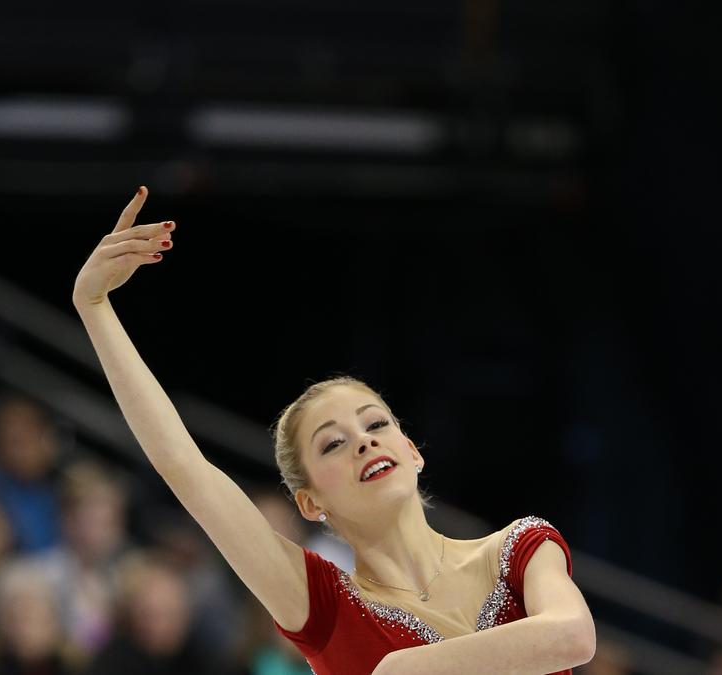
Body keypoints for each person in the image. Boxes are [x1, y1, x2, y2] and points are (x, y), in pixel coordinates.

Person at [70, 186, 596, 675]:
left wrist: (400, 669)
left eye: (376, 424)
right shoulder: (320, 604)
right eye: (334, 443)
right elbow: (184, 467)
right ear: (310, 503)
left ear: (411, 451)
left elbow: (572, 636)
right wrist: (94, 309)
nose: (364, 441)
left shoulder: (520, 549)